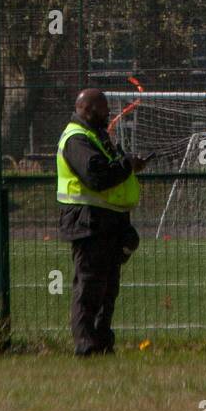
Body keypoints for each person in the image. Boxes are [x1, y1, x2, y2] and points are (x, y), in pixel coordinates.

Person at [56, 88, 150, 356]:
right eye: (103, 108)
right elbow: (97, 176)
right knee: (88, 286)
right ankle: (86, 346)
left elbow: (112, 169)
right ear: (87, 109)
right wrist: (126, 166)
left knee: (108, 288)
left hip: (108, 221)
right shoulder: (76, 139)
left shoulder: (97, 137)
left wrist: (130, 164)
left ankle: (102, 341)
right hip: (88, 222)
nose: (108, 113)